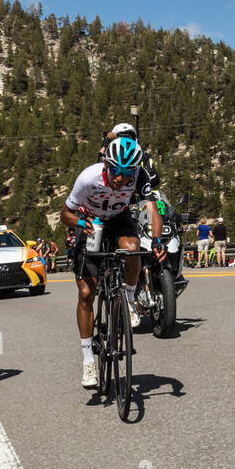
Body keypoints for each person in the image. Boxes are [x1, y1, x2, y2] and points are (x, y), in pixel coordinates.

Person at [61, 137, 165, 390]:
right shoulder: (88, 177)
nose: (121, 178)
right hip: (90, 223)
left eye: (127, 173)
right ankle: (88, 361)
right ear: (106, 164)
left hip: (118, 219)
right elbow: (65, 213)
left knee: (132, 251)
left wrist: (157, 240)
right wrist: (79, 223)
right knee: (87, 292)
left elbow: (152, 208)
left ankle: (128, 299)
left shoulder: (139, 177)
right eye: (116, 171)